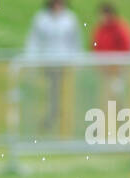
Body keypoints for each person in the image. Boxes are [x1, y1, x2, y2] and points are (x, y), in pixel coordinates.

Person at [23, 0, 83, 133]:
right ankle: (50, 118)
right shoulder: (41, 19)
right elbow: (34, 41)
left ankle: (63, 120)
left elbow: (75, 42)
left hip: (64, 64)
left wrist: (77, 61)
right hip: (47, 63)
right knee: (49, 93)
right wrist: (31, 59)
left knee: (63, 93)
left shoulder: (70, 19)